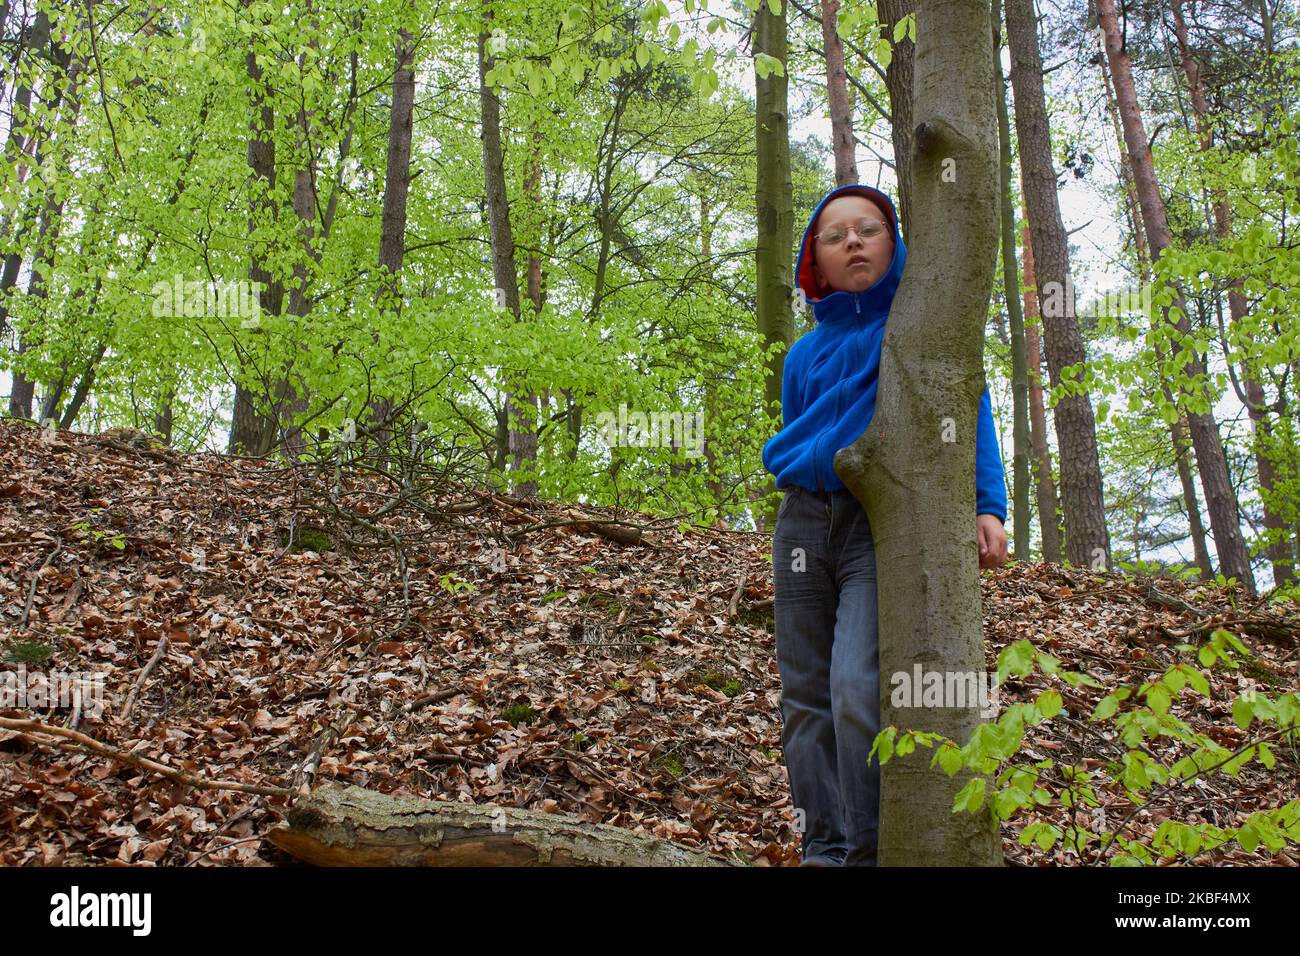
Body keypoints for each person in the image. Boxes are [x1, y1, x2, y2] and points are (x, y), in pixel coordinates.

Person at [761, 184, 1009, 866]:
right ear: (817, 259)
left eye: (868, 229)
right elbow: (797, 429)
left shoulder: (915, 327)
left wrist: (989, 504)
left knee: (854, 688)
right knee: (804, 696)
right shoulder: (802, 356)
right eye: (835, 236)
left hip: (881, 521)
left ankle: (867, 853)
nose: (853, 242)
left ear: (893, 242)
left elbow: (969, 408)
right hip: (803, 524)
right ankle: (825, 848)